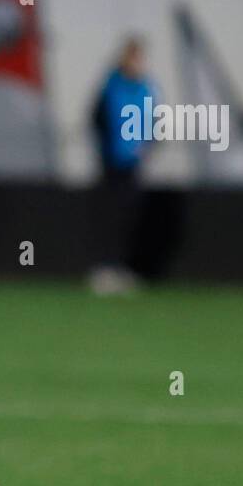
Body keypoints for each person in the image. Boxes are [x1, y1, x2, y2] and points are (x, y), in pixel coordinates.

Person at [88, 36, 157, 295]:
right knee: (109, 215)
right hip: (111, 163)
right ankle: (104, 268)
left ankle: (122, 267)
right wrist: (106, 152)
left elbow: (151, 122)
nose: (137, 63)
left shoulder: (145, 88)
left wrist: (147, 145)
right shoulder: (111, 86)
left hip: (133, 164)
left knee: (130, 217)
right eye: (133, 57)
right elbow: (96, 119)